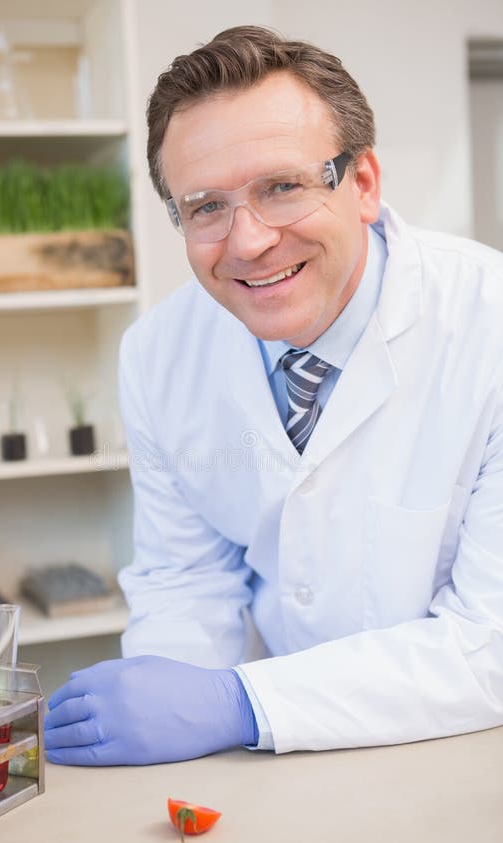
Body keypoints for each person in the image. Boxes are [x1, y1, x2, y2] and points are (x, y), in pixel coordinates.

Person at [44, 25, 503, 765]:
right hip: (274, 768)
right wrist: (170, 721)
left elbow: (490, 645)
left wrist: (239, 704)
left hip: (471, 762)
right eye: (205, 207)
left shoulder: (489, 325)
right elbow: (187, 579)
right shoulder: (159, 355)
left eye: (282, 187)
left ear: (363, 184)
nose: (248, 240)